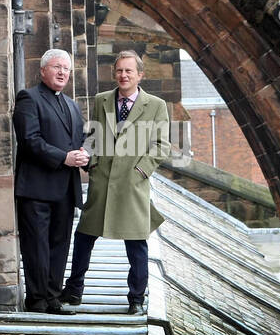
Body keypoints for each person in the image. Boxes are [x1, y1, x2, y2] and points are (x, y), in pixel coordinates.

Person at [62, 50, 170, 315]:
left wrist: (140, 172)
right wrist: (92, 163)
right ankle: (74, 291)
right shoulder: (102, 101)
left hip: (133, 185)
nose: (123, 75)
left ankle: (136, 298)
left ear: (139, 75)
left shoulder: (155, 105)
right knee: (84, 236)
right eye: (119, 71)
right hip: (103, 183)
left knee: (136, 243)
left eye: (128, 71)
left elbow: (161, 145)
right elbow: (93, 136)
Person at [13, 49, 89, 314]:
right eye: (57, 67)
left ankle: (53, 297)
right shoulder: (28, 98)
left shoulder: (71, 104)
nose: (62, 72)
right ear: (43, 70)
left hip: (66, 188)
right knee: (37, 246)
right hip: (36, 188)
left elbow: (77, 141)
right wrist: (64, 158)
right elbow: (30, 140)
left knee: (60, 244)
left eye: (66, 69)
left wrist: (82, 156)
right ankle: (36, 299)